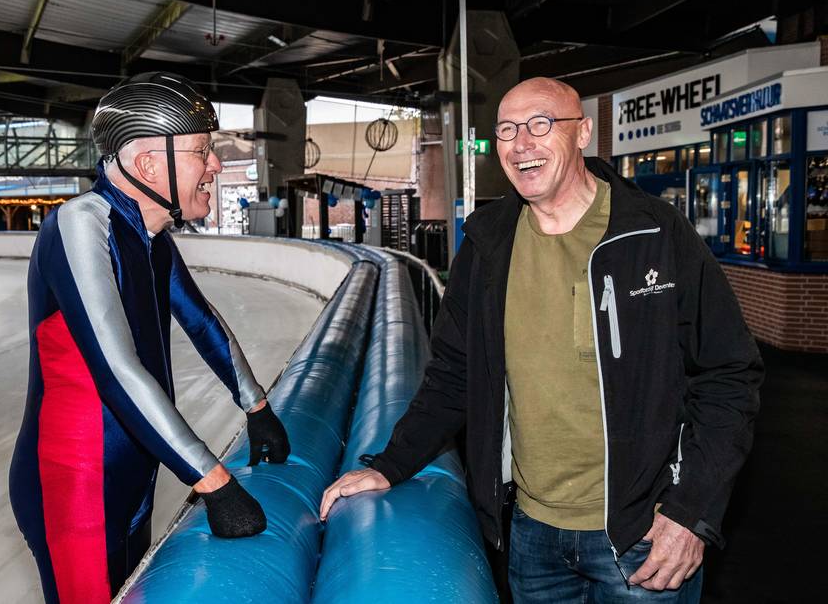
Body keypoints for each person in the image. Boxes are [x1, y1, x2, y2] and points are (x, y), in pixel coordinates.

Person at [319, 77, 762, 603]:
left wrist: (692, 512)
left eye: (541, 124)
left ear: (583, 134)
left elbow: (729, 375)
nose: (521, 143)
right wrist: (390, 465)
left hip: (644, 534)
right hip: (531, 536)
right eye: (507, 130)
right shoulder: (488, 244)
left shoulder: (653, 234)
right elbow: (453, 374)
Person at [10, 71, 291, 604]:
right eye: (202, 151)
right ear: (147, 165)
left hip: (133, 475)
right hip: (75, 485)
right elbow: (116, 369)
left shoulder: (152, 235)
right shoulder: (80, 224)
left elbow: (202, 322)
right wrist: (213, 481)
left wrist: (257, 407)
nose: (215, 166)